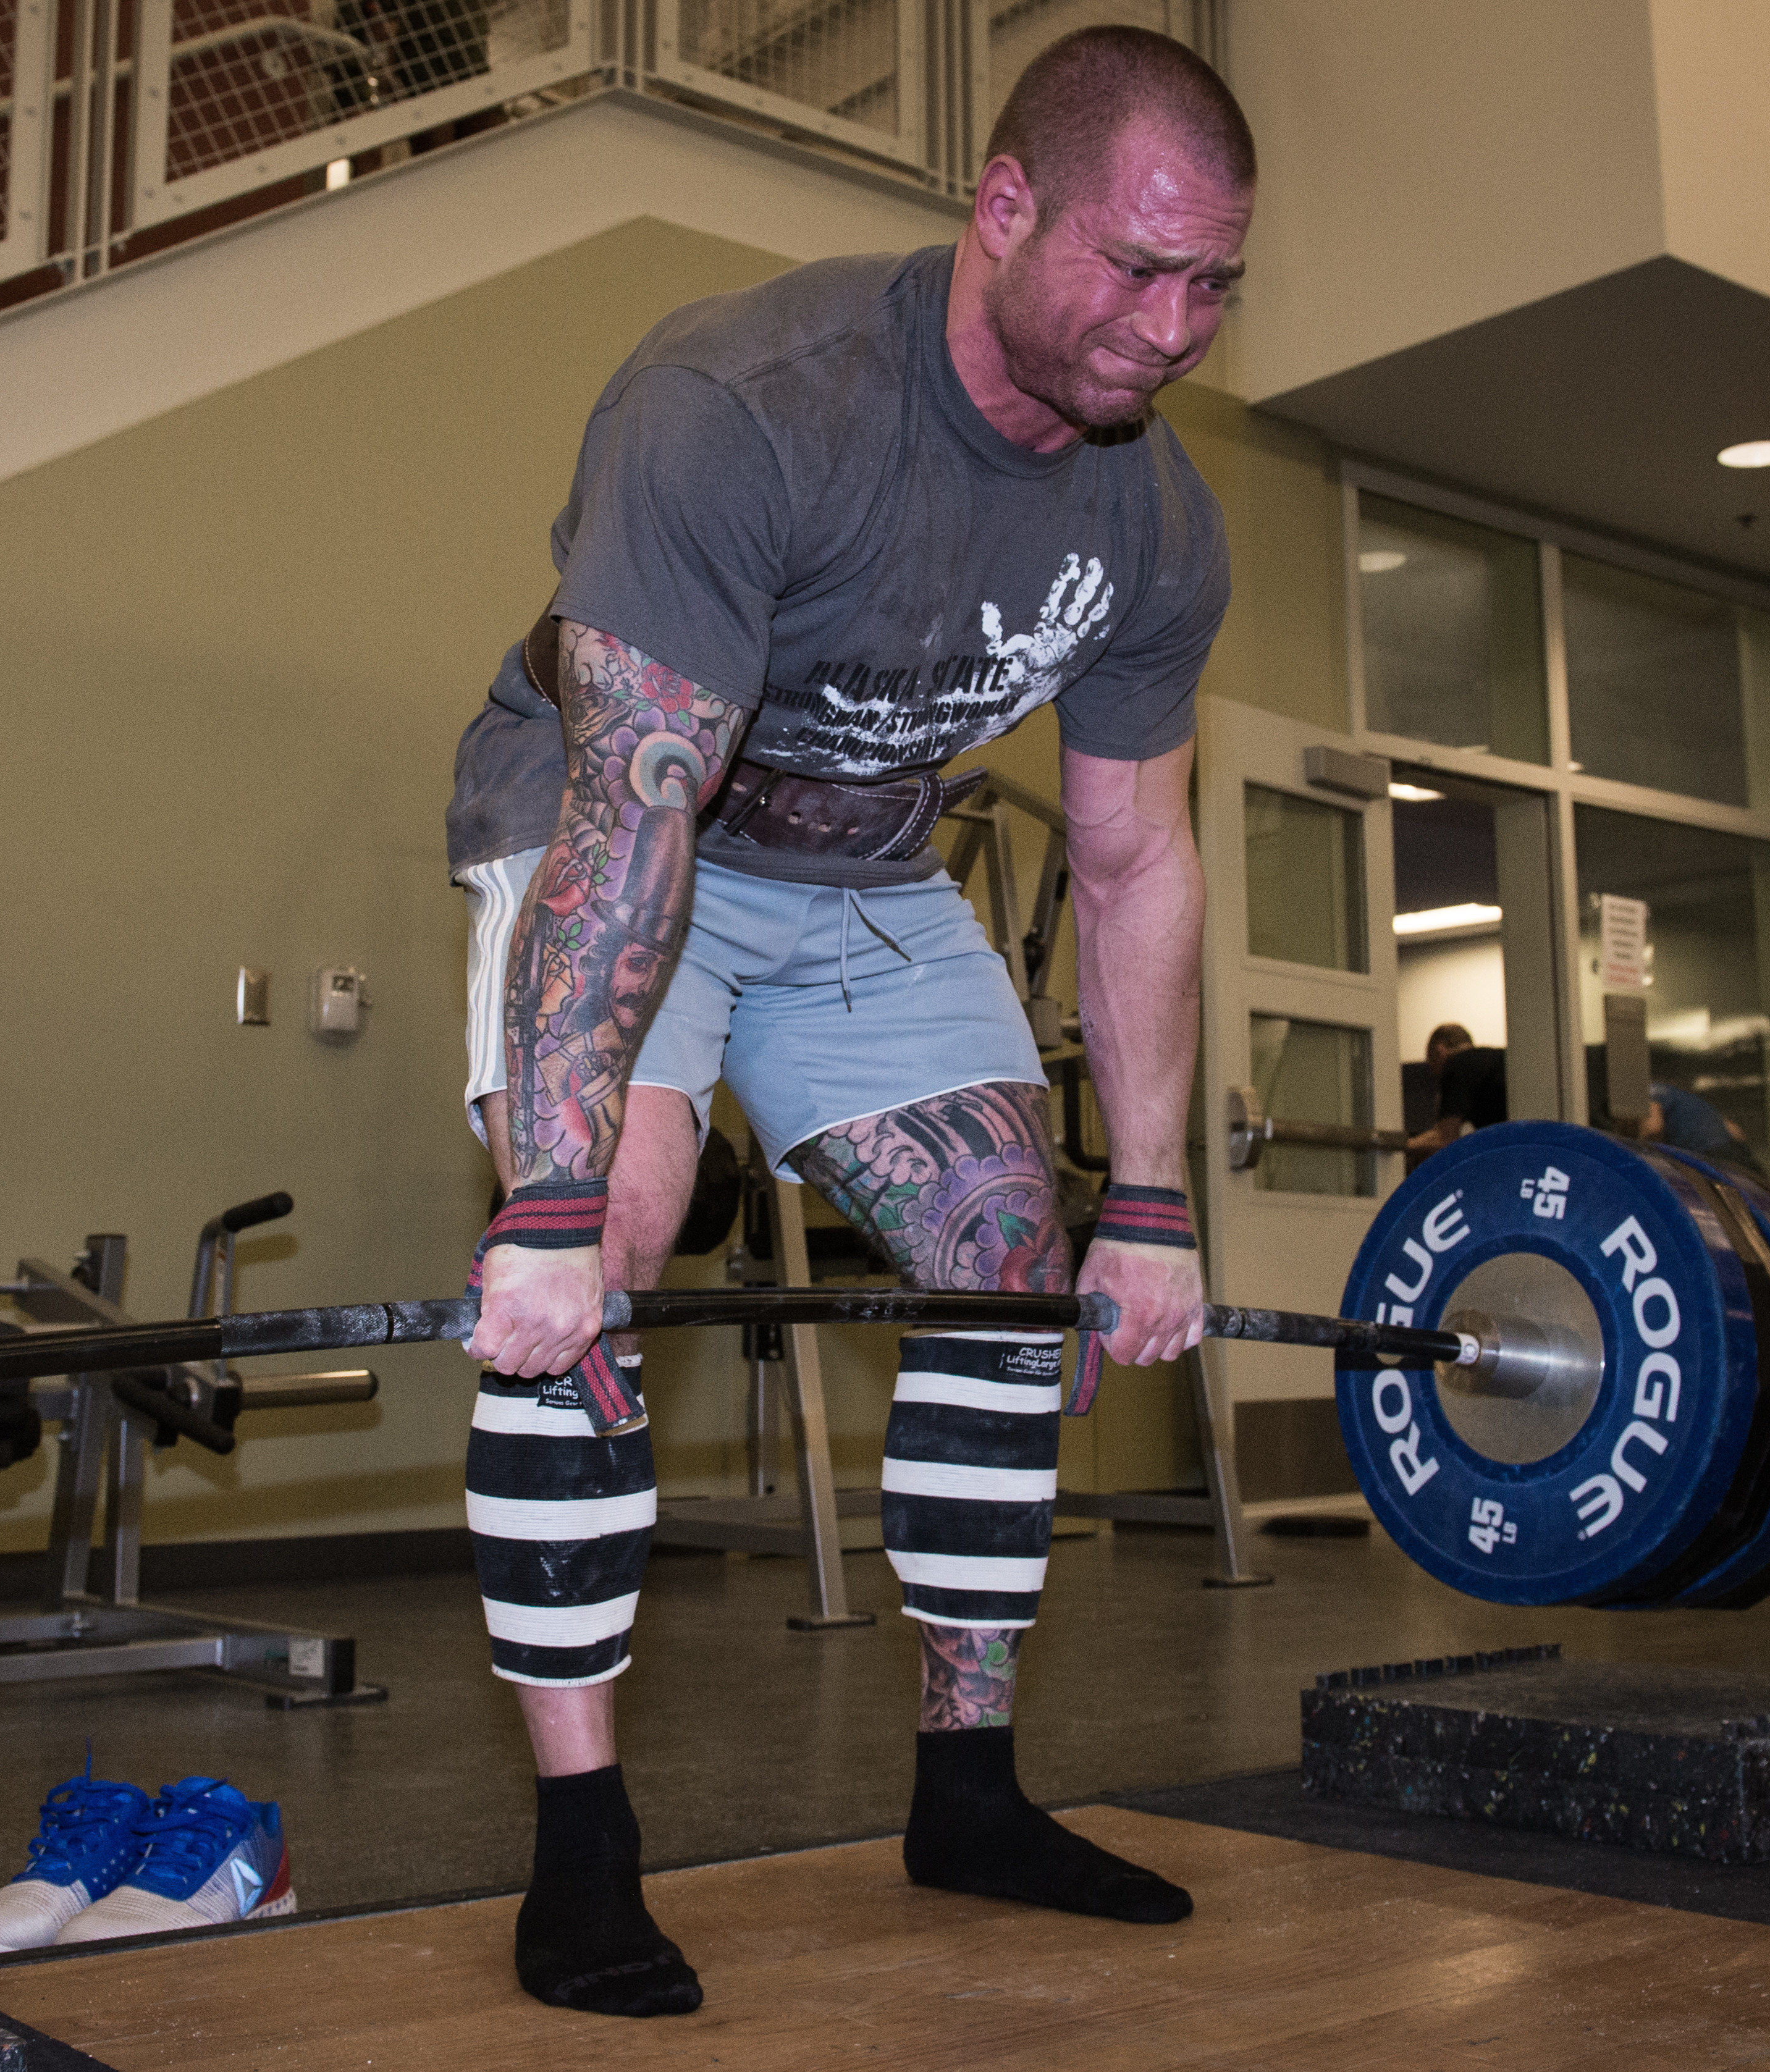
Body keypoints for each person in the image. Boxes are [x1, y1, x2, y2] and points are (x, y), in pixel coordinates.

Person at [445, 25, 1249, 2019]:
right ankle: (582, 1844)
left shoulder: (1154, 526)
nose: (1173, 328)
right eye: (1135, 270)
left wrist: (1149, 1195)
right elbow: (633, 811)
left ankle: (967, 1787)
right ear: (999, 208)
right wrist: (549, 1195)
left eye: (1214, 282)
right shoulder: (747, 404)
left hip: (869, 879)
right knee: (604, 1243)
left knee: (1008, 1254)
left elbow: (1135, 854)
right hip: (626, 826)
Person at [1408, 1022, 1506, 1153]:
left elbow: (1446, 1140)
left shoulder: (1456, 1066)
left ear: (1439, 1050)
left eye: (1431, 1062)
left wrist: (1406, 1146)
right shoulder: (1498, 1058)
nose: (1434, 1072)